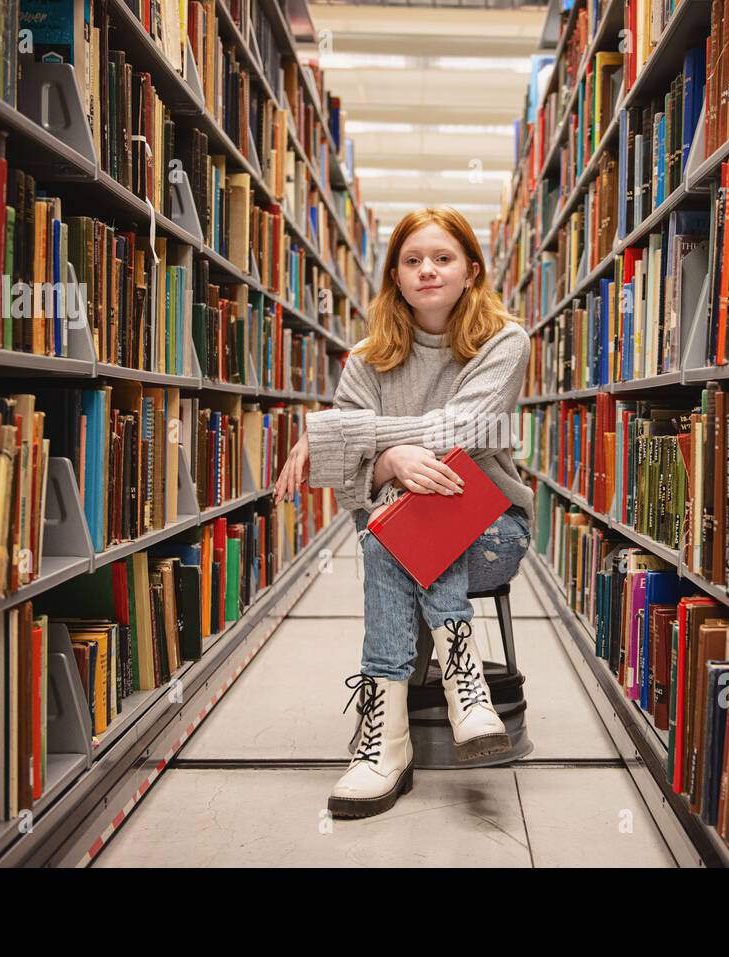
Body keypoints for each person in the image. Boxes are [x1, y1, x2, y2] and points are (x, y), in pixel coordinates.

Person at [273, 206, 534, 819]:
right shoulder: (367, 357)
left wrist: (349, 435)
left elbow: (463, 429)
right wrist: (387, 462)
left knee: (401, 532)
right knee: (390, 536)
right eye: (412, 260)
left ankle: (385, 748)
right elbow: (345, 486)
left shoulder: (504, 341)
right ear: (394, 274)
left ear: (472, 269)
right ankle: (459, 687)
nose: (427, 271)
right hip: (392, 535)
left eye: (442, 258)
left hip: (493, 533)